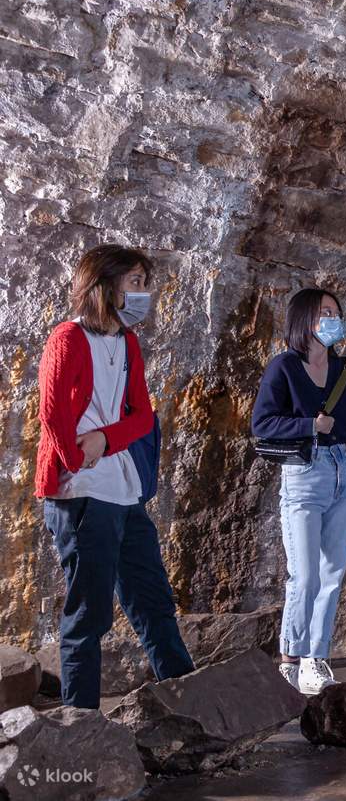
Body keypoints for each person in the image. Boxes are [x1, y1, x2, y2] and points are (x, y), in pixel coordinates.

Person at [36, 244, 194, 708]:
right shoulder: (67, 337)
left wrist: (105, 441)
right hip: (83, 492)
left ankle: (189, 705)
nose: (143, 293)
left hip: (124, 491)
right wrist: (72, 456)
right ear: (105, 286)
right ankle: (79, 723)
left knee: (153, 601)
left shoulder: (127, 344)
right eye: (136, 283)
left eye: (146, 283)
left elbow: (143, 416)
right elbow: (52, 410)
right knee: (89, 614)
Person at [252, 288, 346, 693]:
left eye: (336, 312)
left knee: (333, 572)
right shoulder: (283, 368)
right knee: (305, 576)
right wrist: (308, 426)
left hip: (342, 473)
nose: (332, 319)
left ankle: (316, 659)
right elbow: (263, 424)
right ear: (303, 320)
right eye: (323, 313)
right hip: (304, 472)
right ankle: (290, 659)